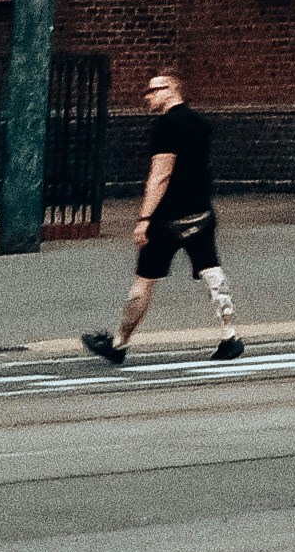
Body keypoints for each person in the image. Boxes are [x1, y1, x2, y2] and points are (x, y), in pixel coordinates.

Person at [84, 72, 244, 363]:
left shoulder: (165, 126)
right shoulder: (200, 123)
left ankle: (118, 344)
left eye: (152, 90)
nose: (148, 96)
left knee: (145, 280)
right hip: (201, 211)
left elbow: (161, 174)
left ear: (170, 90)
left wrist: (144, 218)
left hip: (168, 217)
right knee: (211, 269)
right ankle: (229, 335)